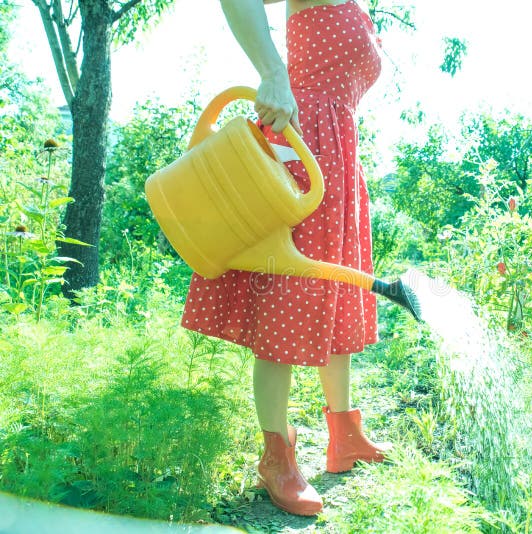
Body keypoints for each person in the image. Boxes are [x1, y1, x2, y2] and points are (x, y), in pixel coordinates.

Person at [180, 0, 389, 516]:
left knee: (335, 290)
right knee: (287, 294)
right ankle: (276, 455)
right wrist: (274, 73)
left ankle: (345, 434)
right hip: (298, 145)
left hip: (336, 152)